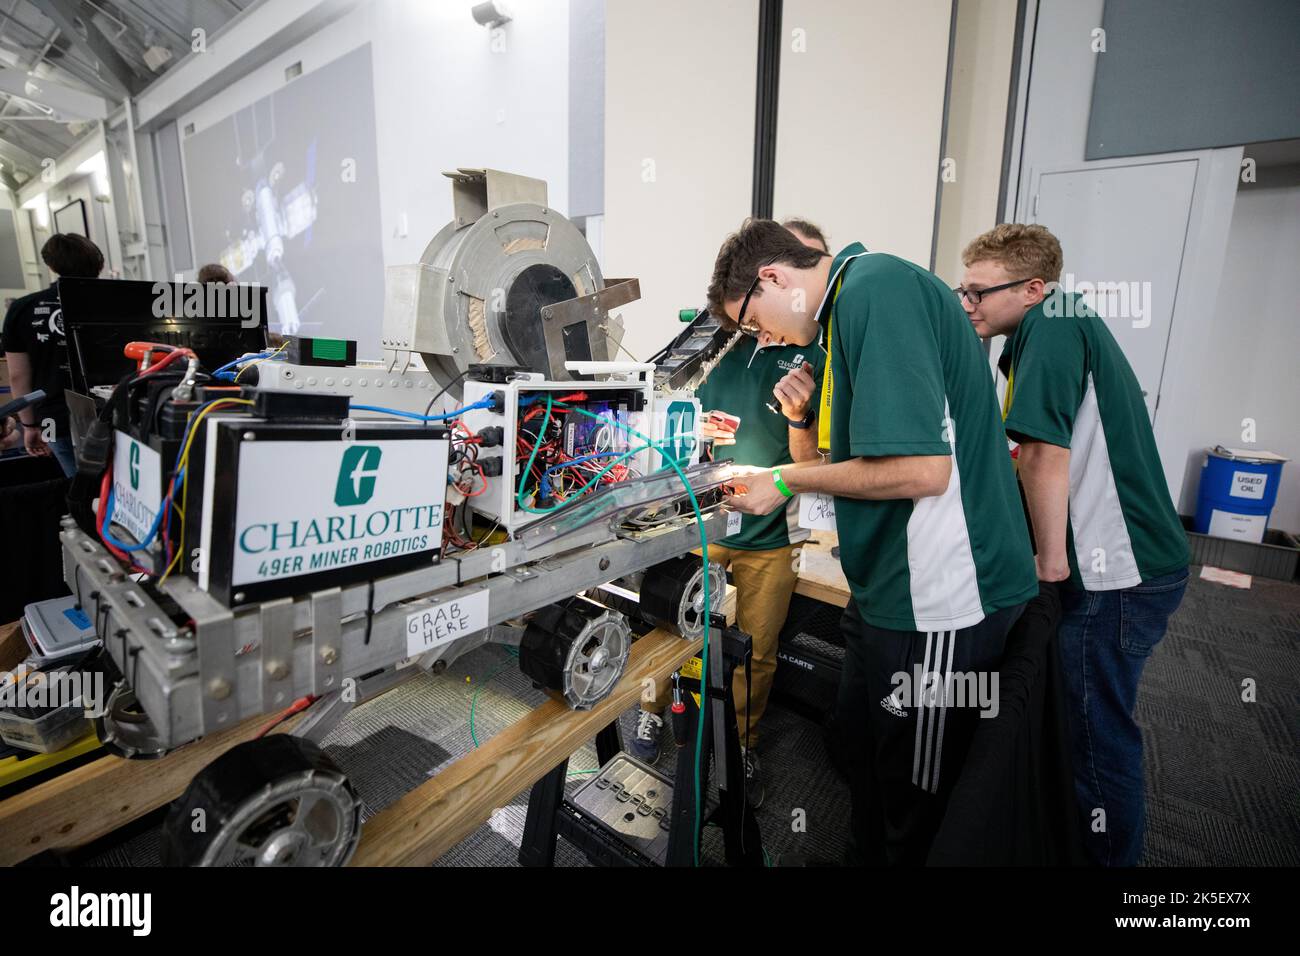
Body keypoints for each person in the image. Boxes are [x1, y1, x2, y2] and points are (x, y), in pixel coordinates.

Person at [713, 219, 1036, 864]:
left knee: (914, 788)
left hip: (942, 594)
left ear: (771, 278)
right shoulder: (845, 311)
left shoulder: (875, 289)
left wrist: (779, 477)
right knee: (862, 749)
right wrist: (796, 454)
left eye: (752, 324)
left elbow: (921, 470)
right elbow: (854, 463)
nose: (763, 339)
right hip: (890, 587)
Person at [959, 223, 1190, 866]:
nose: (968, 303)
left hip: (1117, 569)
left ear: (1033, 289)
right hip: (1130, 559)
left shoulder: (1053, 326)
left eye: (979, 292)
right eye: (964, 290)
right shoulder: (1060, 319)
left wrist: (1049, 570)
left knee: (1095, 736)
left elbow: (1041, 452)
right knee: (1083, 725)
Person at [631, 221, 830, 809]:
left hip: (769, 533)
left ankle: (741, 744)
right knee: (669, 626)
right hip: (704, 521)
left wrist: (797, 420)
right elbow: (675, 403)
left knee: (756, 648)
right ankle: (650, 710)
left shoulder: (819, 353)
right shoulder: (724, 343)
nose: (756, 324)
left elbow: (814, 461)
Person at [1, 234, 105, 477]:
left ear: (51, 265)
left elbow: (17, 375)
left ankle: (83, 512)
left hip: (52, 418)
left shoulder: (22, 309)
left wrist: (29, 425)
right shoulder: (120, 300)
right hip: (114, 413)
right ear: (97, 263)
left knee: (77, 483)